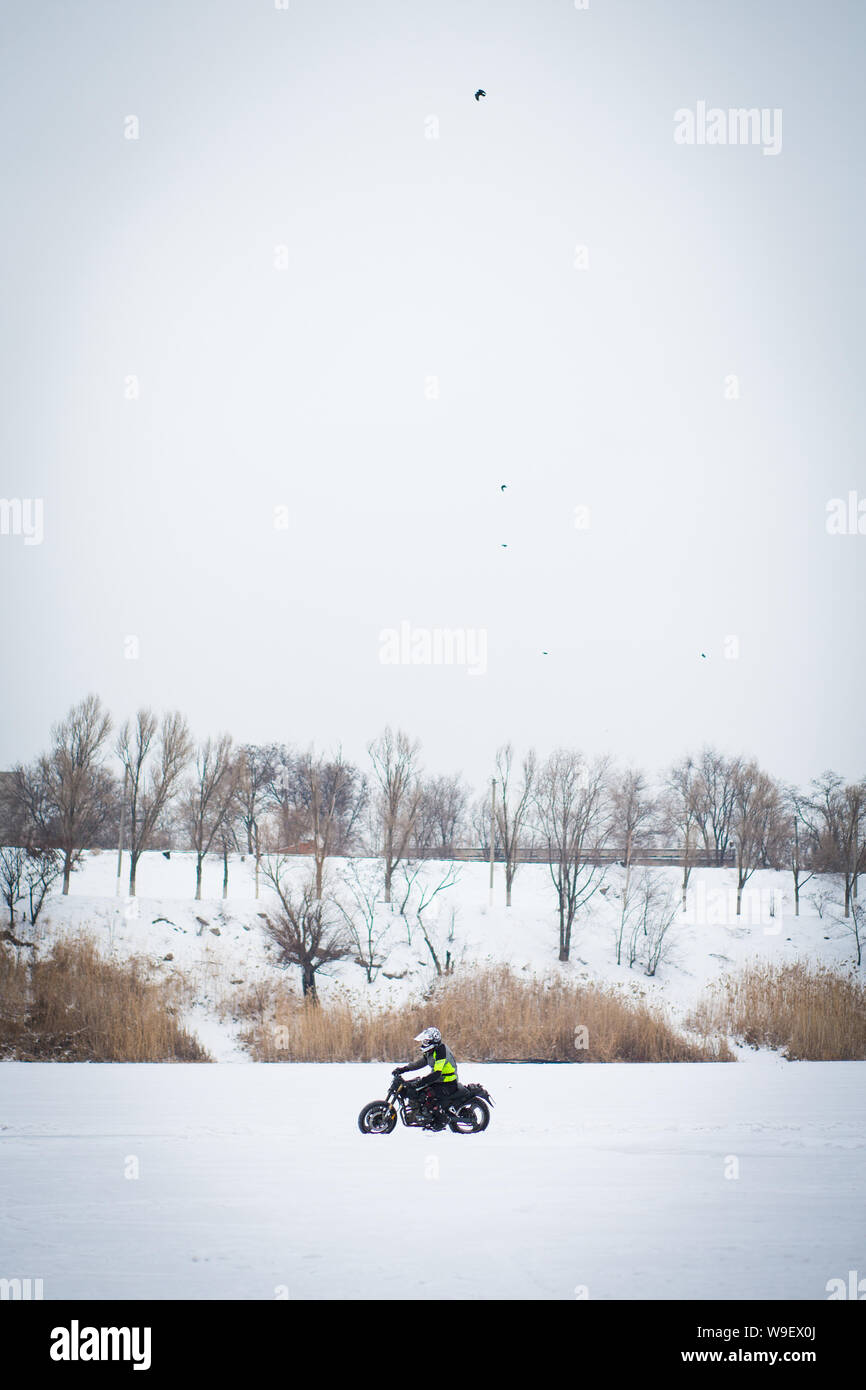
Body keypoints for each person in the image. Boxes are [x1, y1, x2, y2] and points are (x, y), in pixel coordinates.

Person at [393, 1027, 461, 1122]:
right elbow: (420, 1063)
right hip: (439, 1081)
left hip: (448, 1082)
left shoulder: (441, 1051)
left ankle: (439, 1120)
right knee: (415, 1090)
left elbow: (437, 1073)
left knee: (428, 1095)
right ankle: (417, 1113)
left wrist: (422, 1081)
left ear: (433, 1041)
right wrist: (404, 1069)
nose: (423, 1044)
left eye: (426, 1042)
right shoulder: (431, 1052)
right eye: (423, 1042)